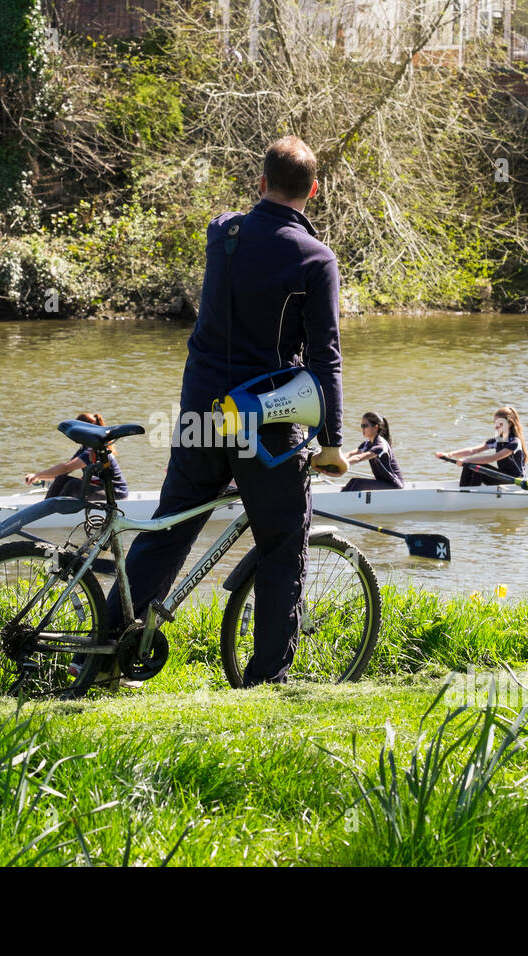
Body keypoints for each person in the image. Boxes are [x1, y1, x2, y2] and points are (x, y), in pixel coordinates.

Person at [104, 135, 347, 688]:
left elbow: (232, 220)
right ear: (314, 190)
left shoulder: (223, 232)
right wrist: (330, 441)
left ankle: (103, 652)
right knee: (283, 543)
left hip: (201, 414)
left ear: (261, 182)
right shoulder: (316, 259)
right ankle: (266, 678)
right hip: (265, 424)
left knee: (169, 529)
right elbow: (325, 355)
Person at [24, 412, 128, 501]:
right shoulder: (84, 449)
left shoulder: (94, 451)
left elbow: (66, 467)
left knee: (73, 485)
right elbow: (63, 472)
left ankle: (53, 513)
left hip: (116, 495)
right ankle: (46, 508)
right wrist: (37, 477)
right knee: (61, 479)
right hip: (101, 489)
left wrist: (37, 475)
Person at [437, 405, 528, 486]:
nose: (496, 426)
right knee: (470, 465)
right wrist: (449, 455)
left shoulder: (515, 442)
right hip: (503, 476)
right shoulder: (498, 440)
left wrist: (466, 460)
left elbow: (493, 458)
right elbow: (472, 451)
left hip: (515, 481)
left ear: (509, 424)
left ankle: (468, 495)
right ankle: (464, 490)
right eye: (495, 423)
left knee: (476, 466)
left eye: (500, 424)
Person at [342, 411, 404, 492]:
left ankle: (341, 502)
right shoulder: (368, 443)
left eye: (365, 426)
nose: (362, 429)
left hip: (394, 484)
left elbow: (358, 458)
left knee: (358, 484)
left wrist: (341, 465)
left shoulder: (380, 446)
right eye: (362, 426)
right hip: (383, 482)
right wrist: (335, 461)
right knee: (353, 481)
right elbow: (351, 454)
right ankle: (340, 501)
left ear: (375, 427)